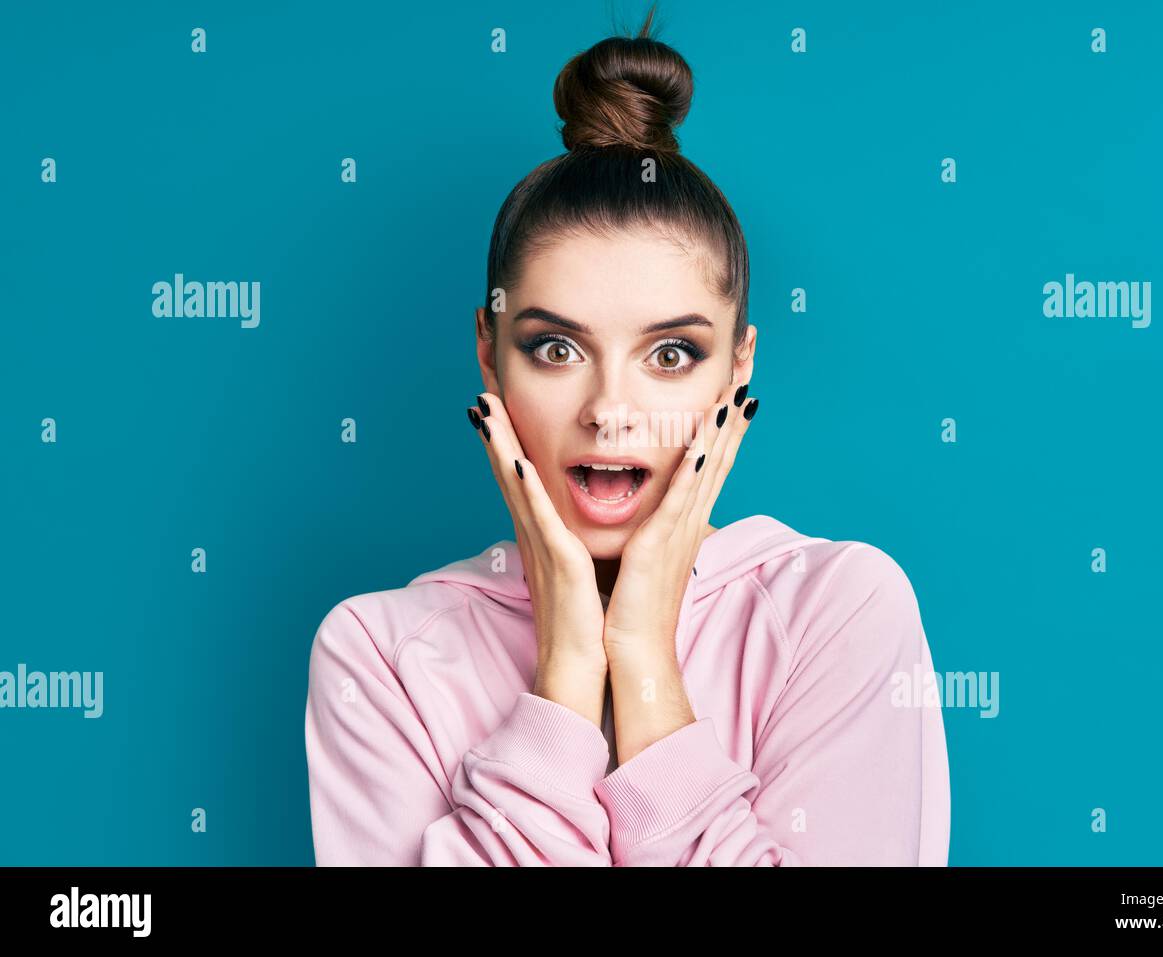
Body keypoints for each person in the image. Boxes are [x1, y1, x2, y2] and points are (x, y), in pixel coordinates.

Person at [304, 5, 950, 866]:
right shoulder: (378, 655)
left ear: (738, 368)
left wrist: (643, 650)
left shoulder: (839, 610)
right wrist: (567, 670)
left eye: (672, 352)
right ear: (489, 356)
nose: (611, 409)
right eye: (556, 348)